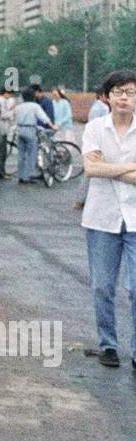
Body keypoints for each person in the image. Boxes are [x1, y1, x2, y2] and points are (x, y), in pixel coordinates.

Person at [81, 69, 136, 370]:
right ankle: (108, 344)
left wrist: (108, 166)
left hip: (135, 220)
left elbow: (100, 168)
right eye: (118, 92)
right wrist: (129, 168)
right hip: (101, 219)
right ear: (107, 97)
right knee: (102, 286)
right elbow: (90, 170)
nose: (124, 97)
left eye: (130, 91)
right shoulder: (94, 128)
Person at [15, 86, 54, 183]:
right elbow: (43, 117)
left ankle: (20, 176)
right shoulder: (35, 106)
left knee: (21, 155)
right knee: (31, 154)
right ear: (32, 96)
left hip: (20, 130)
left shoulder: (18, 107)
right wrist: (52, 125)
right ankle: (28, 176)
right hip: (30, 129)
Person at [0, 89, 16, 180]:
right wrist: (13, 111)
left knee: (1, 152)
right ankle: (1, 173)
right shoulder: (2, 100)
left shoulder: (0, 100)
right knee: (2, 152)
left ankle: (1, 172)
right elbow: (3, 115)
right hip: (1, 129)